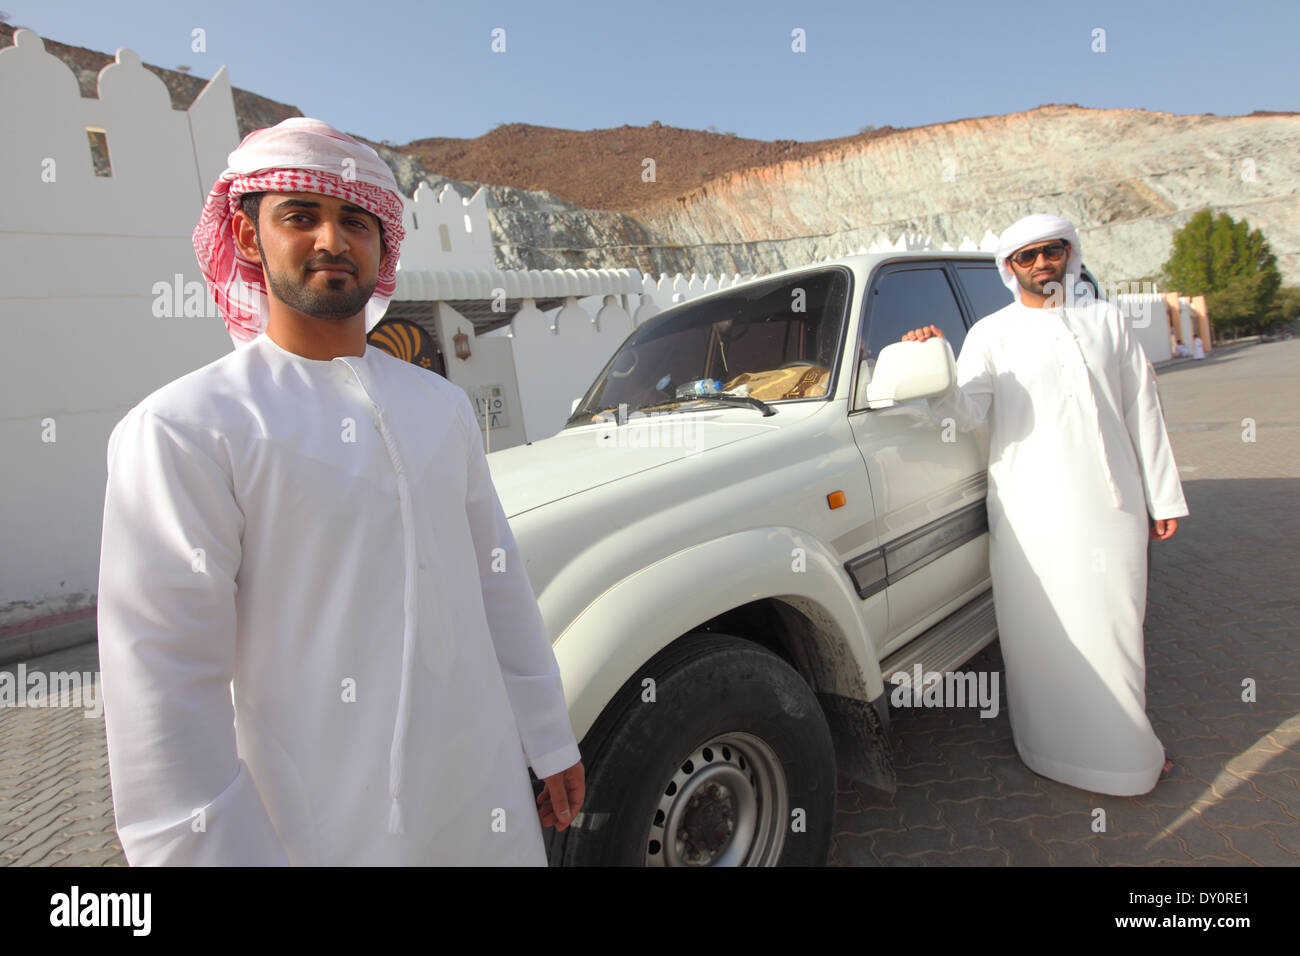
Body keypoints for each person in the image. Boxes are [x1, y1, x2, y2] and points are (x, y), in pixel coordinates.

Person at [97, 118, 584, 864]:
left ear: (383, 247)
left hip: (482, 802)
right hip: (318, 828)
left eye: (356, 221)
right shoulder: (187, 429)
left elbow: (498, 582)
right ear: (248, 235)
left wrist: (548, 736)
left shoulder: (439, 406)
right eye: (300, 215)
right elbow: (164, 688)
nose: (332, 239)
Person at [901, 213, 1188, 796]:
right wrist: (936, 369)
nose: (1041, 264)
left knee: (1114, 631)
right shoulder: (990, 335)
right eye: (1026, 257)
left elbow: (1143, 411)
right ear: (1010, 269)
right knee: (1042, 634)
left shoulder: (1107, 321)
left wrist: (1162, 494)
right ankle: (1048, 750)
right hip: (1032, 515)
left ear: (1069, 253)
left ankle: (1129, 755)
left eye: (1050, 251)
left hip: (1113, 507)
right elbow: (965, 416)